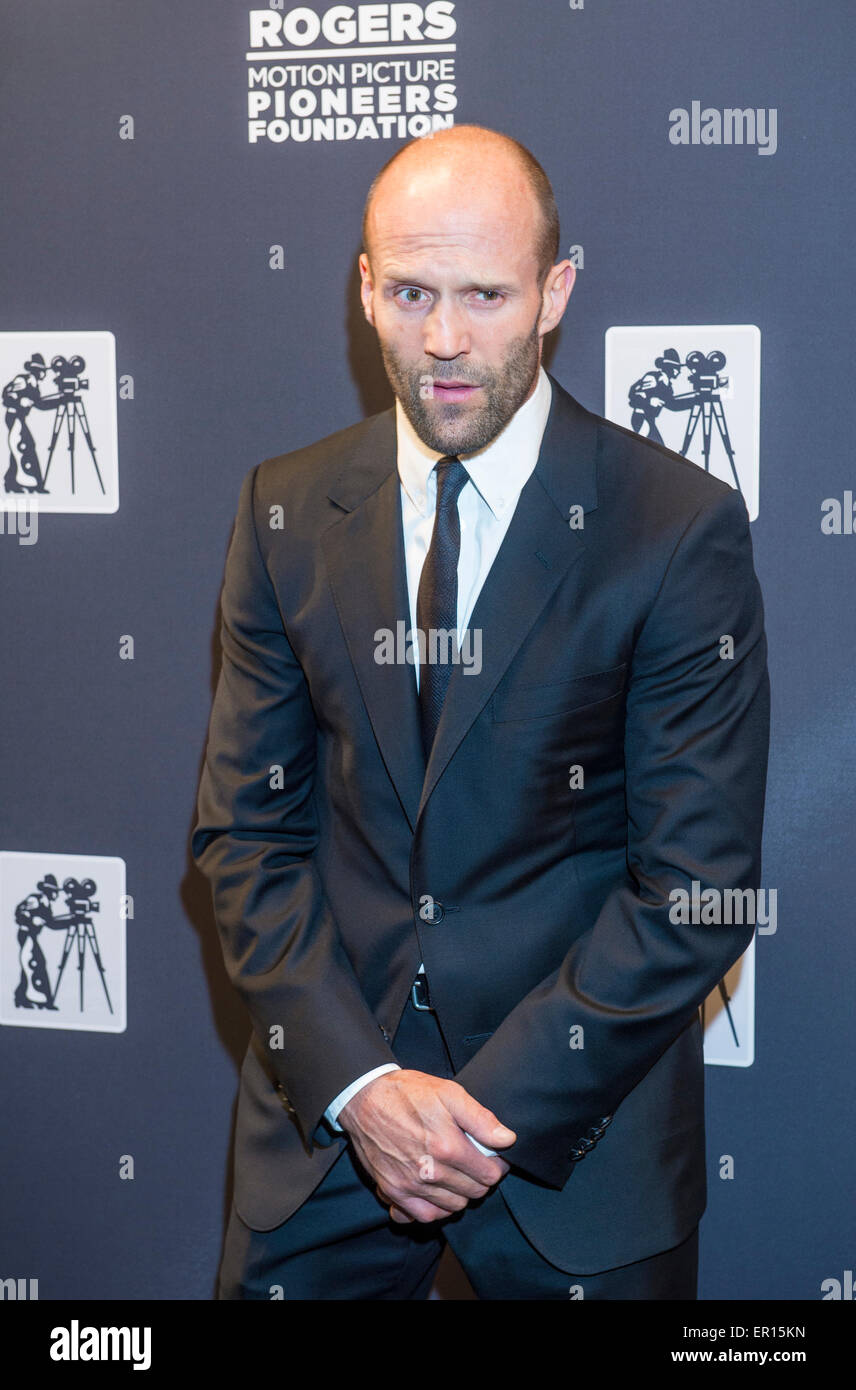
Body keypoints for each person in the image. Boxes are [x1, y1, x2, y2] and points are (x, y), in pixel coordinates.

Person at [191, 124, 770, 1300]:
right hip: (327, 1133)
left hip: (577, 1143)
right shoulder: (283, 510)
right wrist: (363, 1091)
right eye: (411, 292)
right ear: (364, 288)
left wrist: (472, 1120)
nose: (445, 340)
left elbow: (693, 885)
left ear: (554, 293)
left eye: (485, 295)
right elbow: (245, 837)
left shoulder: (672, 527)